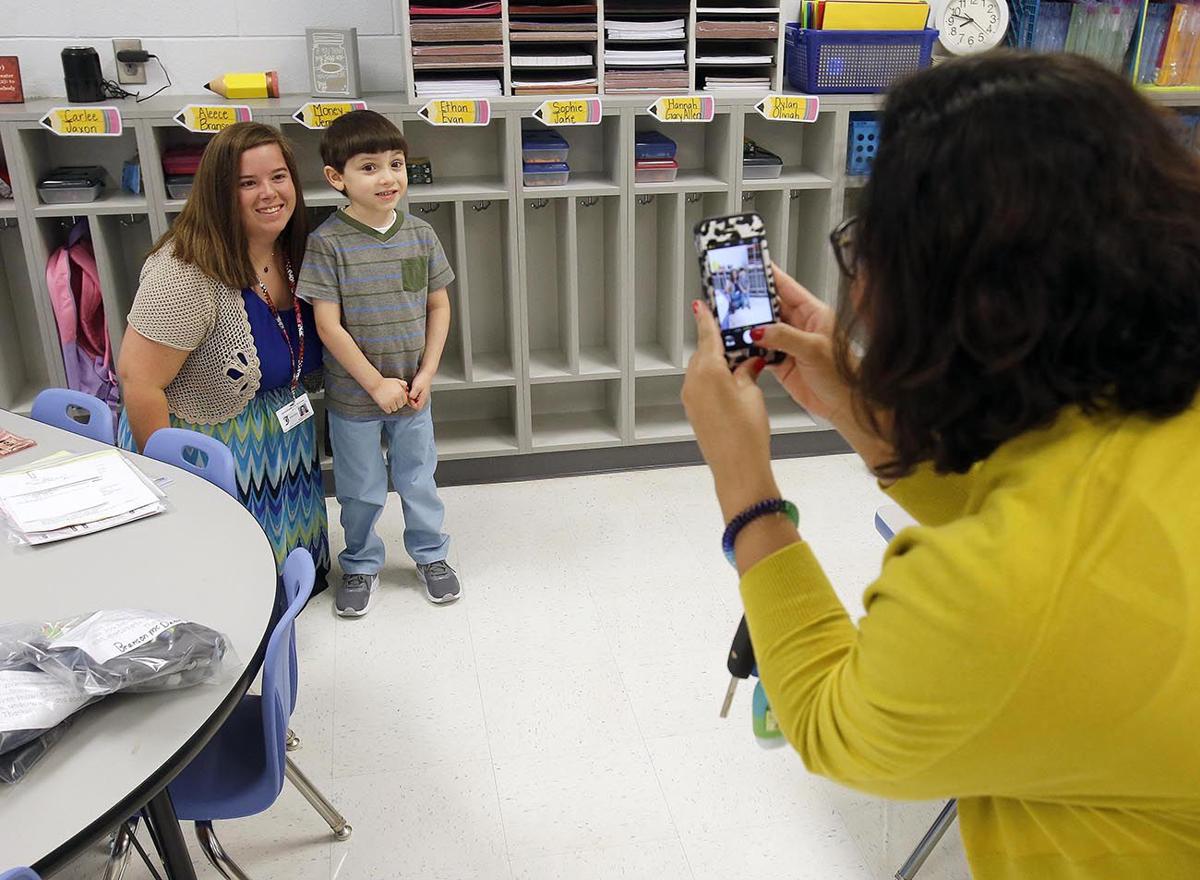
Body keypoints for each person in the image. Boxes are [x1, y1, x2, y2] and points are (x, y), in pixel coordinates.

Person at [682, 52, 1200, 879]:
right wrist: (859, 407)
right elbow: (1047, 484)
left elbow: (833, 724)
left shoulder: (997, 592)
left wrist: (744, 484)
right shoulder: (1141, 408)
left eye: (868, 254)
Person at [117, 122, 330, 592]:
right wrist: (171, 481)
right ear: (217, 192)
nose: (269, 193)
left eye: (278, 176)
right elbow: (138, 381)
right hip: (207, 445)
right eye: (247, 183)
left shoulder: (298, 249)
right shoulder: (183, 270)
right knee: (227, 588)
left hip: (282, 442)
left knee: (288, 584)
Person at [296, 109, 460, 618]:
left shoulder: (420, 235)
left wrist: (427, 373)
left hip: (413, 394)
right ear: (336, 178)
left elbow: (438, 305)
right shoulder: (327, 242)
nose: (387, 177)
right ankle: (362, 563)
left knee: (418, 479)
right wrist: (373, 384)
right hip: (354, 399)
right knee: (361, 489)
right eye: (369, 167)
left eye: (395, 163)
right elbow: (328, 326)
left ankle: (431, 555)